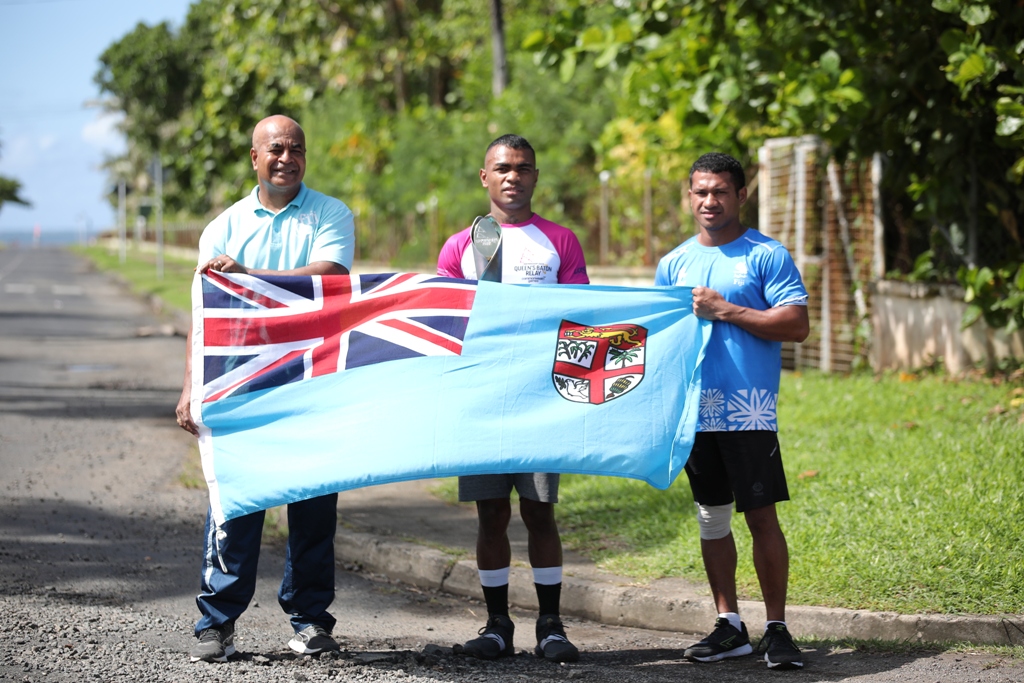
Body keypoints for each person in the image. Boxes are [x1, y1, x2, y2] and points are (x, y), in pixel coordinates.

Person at [175, 114, 355, 663]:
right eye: (275, 148)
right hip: (241, 382)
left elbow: (326, 275)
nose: (286, 157)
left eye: (296, 148)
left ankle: (310, 621)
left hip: (312, 378)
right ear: (254, 157)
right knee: (235, 500)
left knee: (313, 503)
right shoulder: (222, 228)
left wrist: (247, 274)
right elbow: (204, 316)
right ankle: (217, 624)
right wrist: (189, 386)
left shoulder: (331, 213)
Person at [436, 134, 588, 663]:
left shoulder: (560, 242)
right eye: (502, 167)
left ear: (535, 177)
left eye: (523, 168)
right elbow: (443, 325)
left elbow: (580, 317)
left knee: (541, 513)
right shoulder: (459, 246)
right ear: (485, 177)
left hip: (540, 399)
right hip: (481, 400)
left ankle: (551, 625)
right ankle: (497, 624)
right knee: (491, 514)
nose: (512, 176)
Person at [655, 152, 809, 670]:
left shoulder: (766, 254)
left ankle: (779, 629)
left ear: (741, 195)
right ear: (688, 196)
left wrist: (727, 310)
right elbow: (661, 338)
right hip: (696, 411)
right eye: (700, 191)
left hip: (748, 410)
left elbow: (796, 324)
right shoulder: (673, 263)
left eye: (720, 191)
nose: (709, 201)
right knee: (711, 518)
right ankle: (730, 626)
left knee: (761, 517)